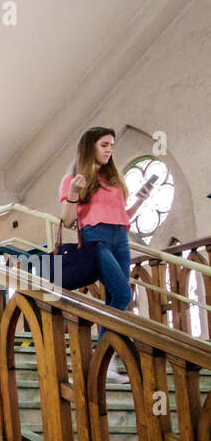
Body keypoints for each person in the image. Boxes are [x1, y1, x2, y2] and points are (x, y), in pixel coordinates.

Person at [60, 127, 154, 381]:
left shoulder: (113, 180)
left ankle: (106, 364)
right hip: (96, 240)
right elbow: (67, 221)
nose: (109, 150)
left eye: (112, 145)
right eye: (104, 145)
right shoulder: (73, 179)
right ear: (90, 145)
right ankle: (102, 359)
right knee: (123, 294)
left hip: (120, 239)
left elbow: (123, 217)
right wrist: (73, 196)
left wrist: (140, 201)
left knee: (118, 298)